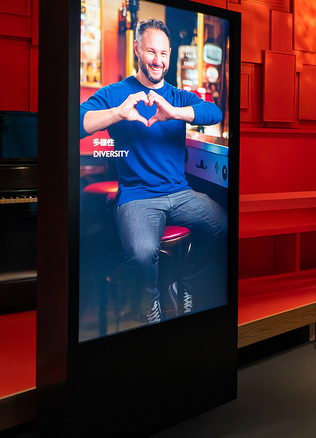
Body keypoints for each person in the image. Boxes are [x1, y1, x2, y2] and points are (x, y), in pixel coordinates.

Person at [79, 18, 227, 325]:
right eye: (150, 51)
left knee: (221, 225)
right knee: (143, 253)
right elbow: (76, 123)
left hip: (181, 193)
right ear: (137, 48)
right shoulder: (116, 92)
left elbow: (214, 113)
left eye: (163, 53)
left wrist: (174, 112)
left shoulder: (175, 95)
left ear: (170, 54)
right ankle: (150, 304)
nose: (158, 61)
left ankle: (184, 283)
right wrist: (118, 113)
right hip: (137, 197)